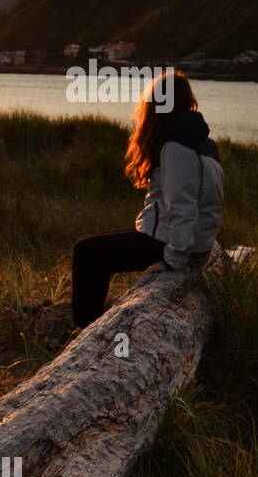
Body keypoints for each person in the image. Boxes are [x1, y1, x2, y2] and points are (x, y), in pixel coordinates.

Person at [71, 71, 225, 328]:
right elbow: (210, 204)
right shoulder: (205, 143)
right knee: (100, 246)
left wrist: (172, 260)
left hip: (171, 243)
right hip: (193, 242)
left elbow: (183, 205)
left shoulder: (176, 146)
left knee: (87, 252)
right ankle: (91, 322)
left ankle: (85, 329)